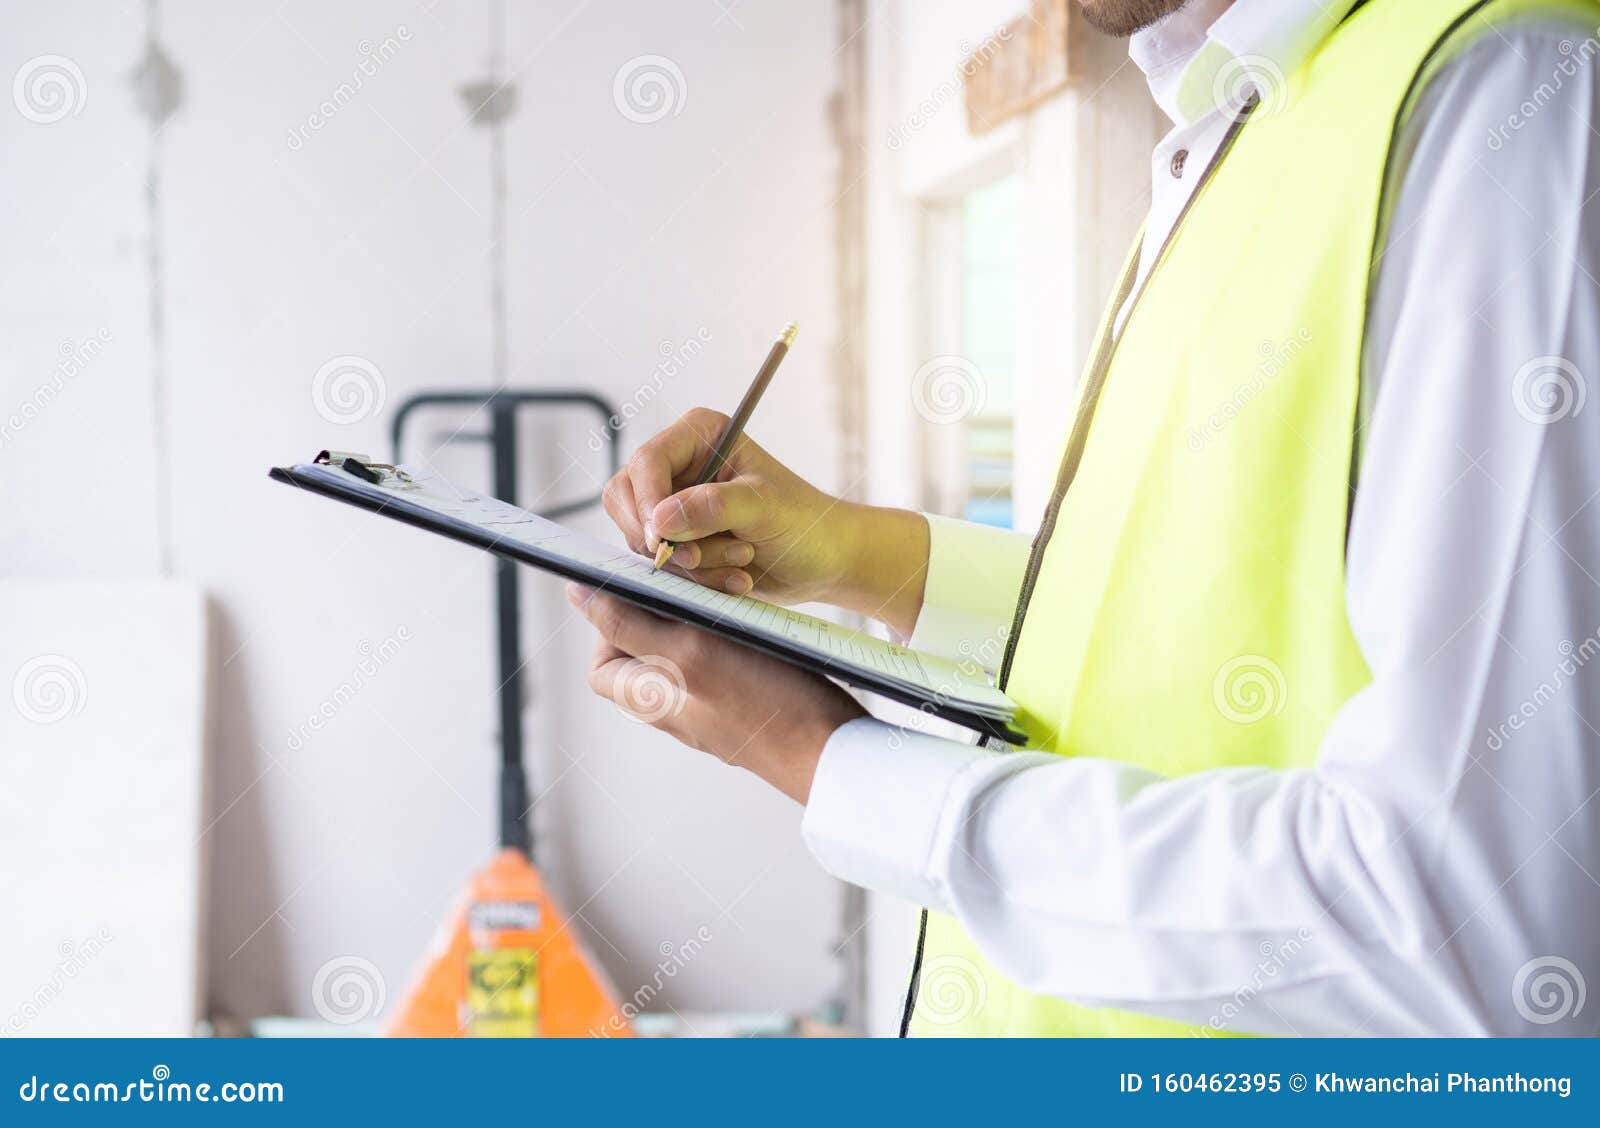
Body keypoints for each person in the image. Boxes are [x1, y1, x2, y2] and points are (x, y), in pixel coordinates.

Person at [568, 0, 1600, 1035]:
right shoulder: (1238, 121)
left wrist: (814, 752)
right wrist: (862, 559)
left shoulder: (1502, 92)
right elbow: (1187, 630)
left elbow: (1472, 935)